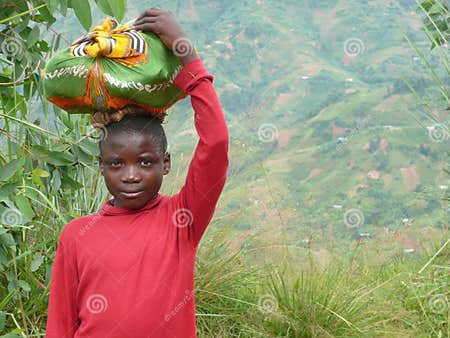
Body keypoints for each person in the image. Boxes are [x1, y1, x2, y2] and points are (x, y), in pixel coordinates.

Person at [45, 8, 229, 338]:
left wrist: (185, 50)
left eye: (145, 162)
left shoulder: (181, 220)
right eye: (117, 164)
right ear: (102, 166)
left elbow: (215, 142)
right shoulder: (75, 236)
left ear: (166, 164)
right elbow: (59, 325)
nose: (131, 175)